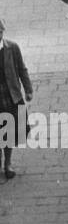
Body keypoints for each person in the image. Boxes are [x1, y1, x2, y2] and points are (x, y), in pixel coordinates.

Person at [0, 19, 36, 176]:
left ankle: (7, 164)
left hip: (10, 97)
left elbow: (22, 69)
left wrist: (28, 90)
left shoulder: (12, 47)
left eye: (0, 32)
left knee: (8, 134)